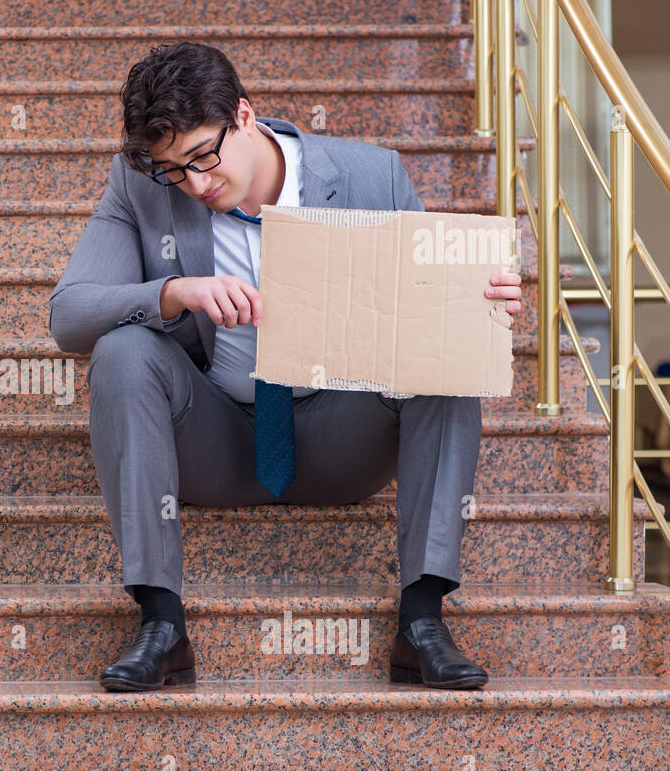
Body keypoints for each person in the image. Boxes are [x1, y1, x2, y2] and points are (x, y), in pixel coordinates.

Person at [47, 42, 522, 693]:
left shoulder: (371, 179)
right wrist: (172, 293)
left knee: (444, 353)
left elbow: (432, 306)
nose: (196, 184)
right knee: (122, 351)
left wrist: (481, 301)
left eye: (204, 158)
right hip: (215, 441)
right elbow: (69, 314)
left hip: (342, 437)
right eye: (174, 171)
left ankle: (422, 621)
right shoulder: (141, 188)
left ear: (245, 115)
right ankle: (161, 625)